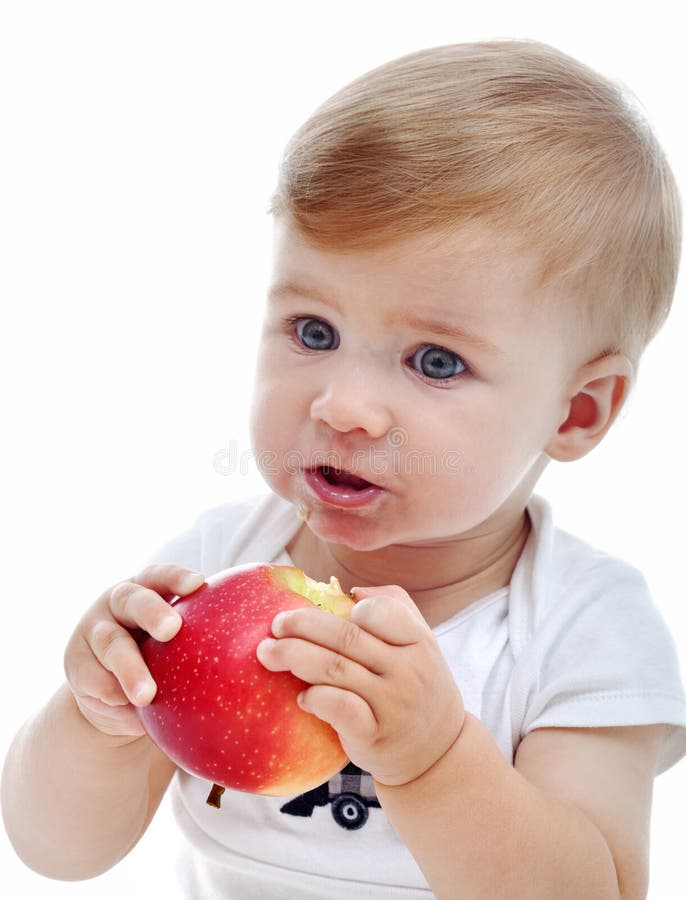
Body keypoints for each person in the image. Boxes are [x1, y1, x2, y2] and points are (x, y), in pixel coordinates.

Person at [3, 39, 686, 899]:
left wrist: (434, 759)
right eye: (313, 332)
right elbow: (56, 851)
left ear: (576, 411)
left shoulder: (584, 629)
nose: (341, 406)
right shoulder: (218, 568)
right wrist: (97, 717)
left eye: (435, 361)